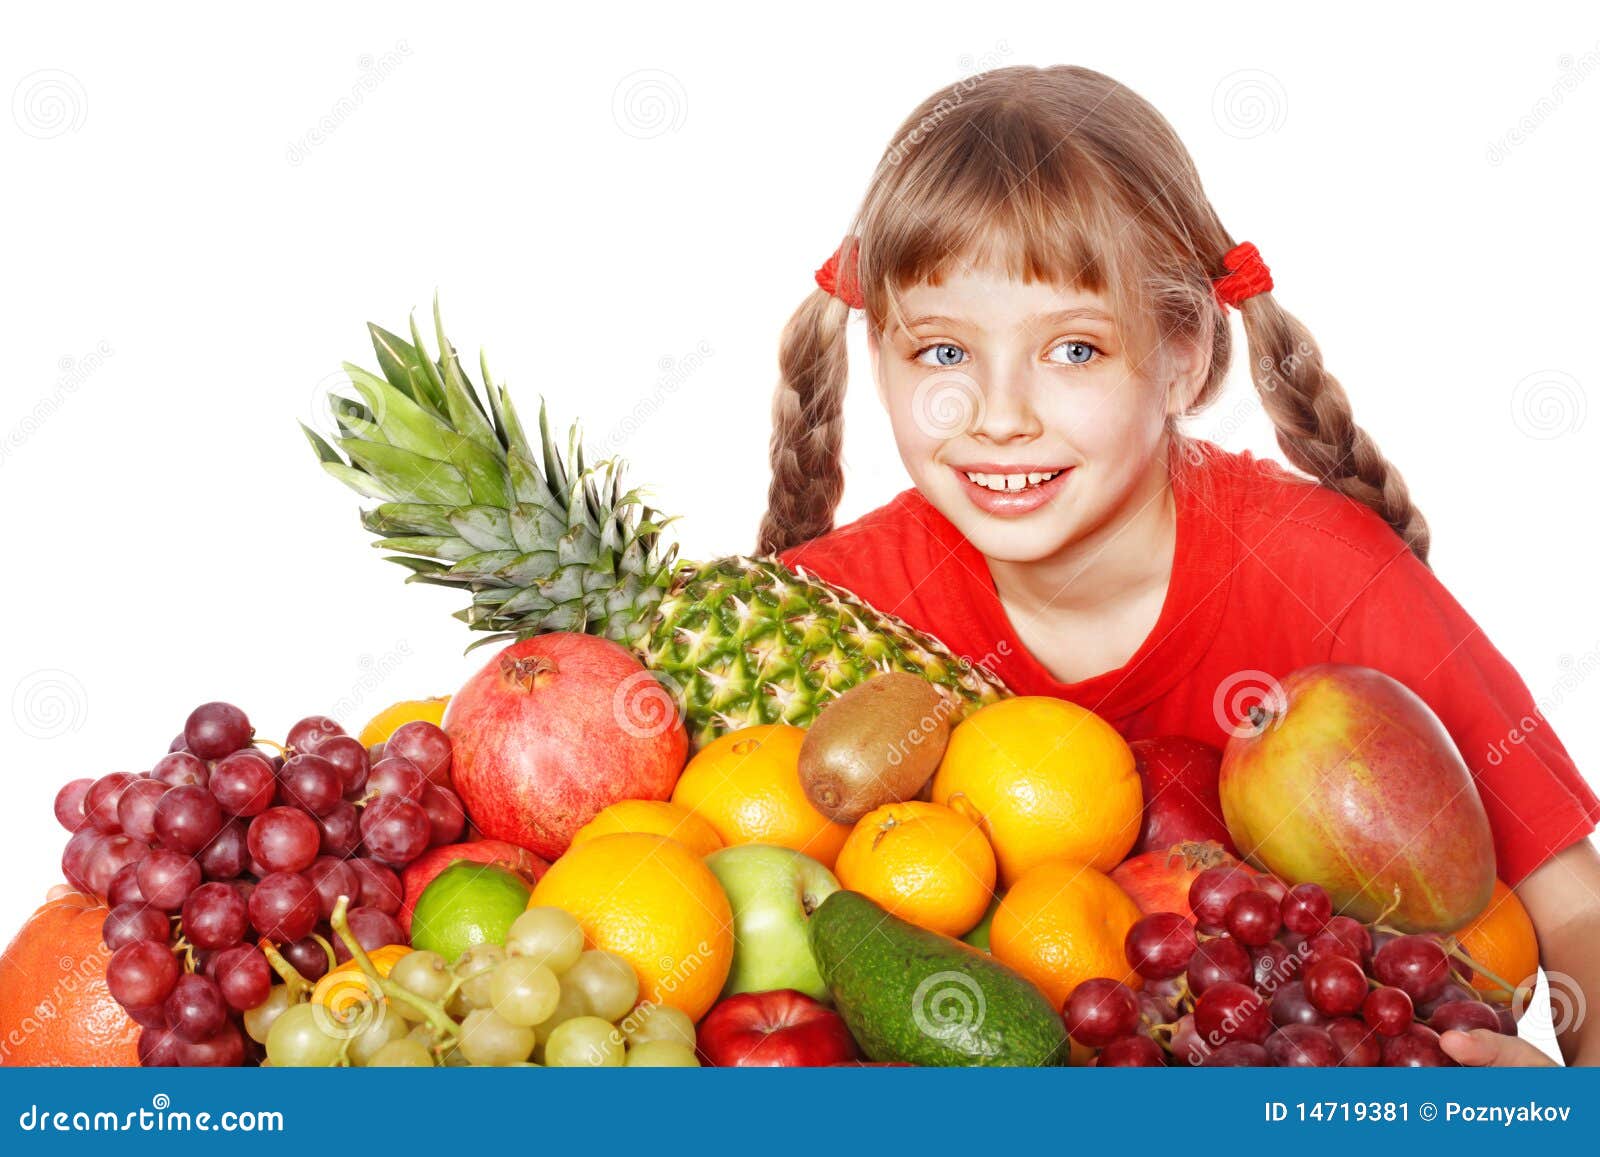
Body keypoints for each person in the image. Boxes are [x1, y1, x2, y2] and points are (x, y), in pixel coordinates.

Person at [759, 64, 1600, 1066]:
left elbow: (1577, 910)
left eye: (1072, 350)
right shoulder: (831, 612)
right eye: (941, 353)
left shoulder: (1321, 572)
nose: (998, 414)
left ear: (1183, 357)